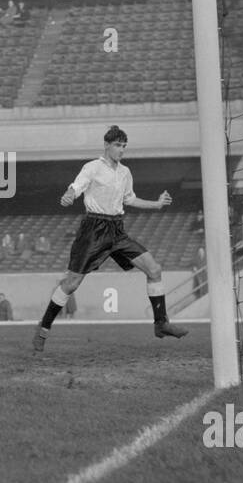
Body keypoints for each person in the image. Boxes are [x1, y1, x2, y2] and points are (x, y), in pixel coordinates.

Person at [32, 125, 188, 351]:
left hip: (116, 230)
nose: (121, 150)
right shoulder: (92, 167)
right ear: (106, 145)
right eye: (117, 145)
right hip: (93, 229)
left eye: (124, 146)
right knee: (71, 284)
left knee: (154, 269)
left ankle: (161, 323)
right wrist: (69, 194)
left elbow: (130, 199)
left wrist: (156, 203)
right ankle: (43, 328)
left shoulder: (125, 172)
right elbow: (76, 186)